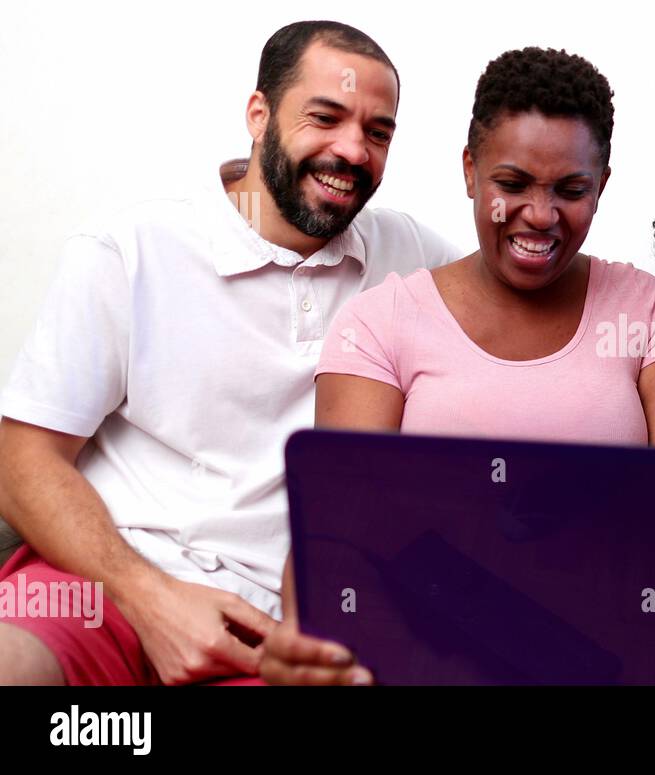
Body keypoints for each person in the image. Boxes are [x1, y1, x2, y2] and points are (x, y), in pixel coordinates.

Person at [0, 21, 460, 685]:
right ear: (258, 114)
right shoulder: (132, 249)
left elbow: (529, 290)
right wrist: (150, 599)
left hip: (271, 635)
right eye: (325, 117)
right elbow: (20, 461)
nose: (353, 150)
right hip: (103, 584)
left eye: (378, 132)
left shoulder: (413, 259)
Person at [259, 47, 655, 686]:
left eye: (571, 190)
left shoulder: (639, 307)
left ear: (602, 185)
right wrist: (309, 639)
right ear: (470, 171)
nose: (540, 217)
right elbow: (334, 529)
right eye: (512, 185)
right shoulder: (380, 323)